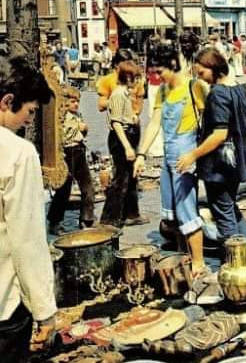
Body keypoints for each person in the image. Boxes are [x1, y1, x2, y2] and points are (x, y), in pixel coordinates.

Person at [0, 57, 57, 363]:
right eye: (27, 113)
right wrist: (46, 310)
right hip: (2, 306)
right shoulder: (17, 154)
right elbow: (26, 239)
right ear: (7, 103)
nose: (28, 123)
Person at [176, 47, 246, 262]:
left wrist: (192, 155)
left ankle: (238, 267)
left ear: (214, 68)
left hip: (220, 167)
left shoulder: (218, 94)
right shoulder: (239, 89)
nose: (201, 79)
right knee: (231, 209)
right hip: (236, 163)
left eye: (202, 73)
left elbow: (220, 134)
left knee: (225, 218)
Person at [134, 44, 208, 277]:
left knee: (187, 210)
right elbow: (155, 123)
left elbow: (211, 122)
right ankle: (181, 253)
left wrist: (197, 155)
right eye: (154, 73)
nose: (156, 77)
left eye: (160, 71)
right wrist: (141, 154)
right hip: (169, 157)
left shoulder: (194, 87)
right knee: (173, 213)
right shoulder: (163, 91)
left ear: (173, 66)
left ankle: (199, 262)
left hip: (186, 156)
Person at [96, 49, 147, 224]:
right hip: (121, 137)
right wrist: (127, 147)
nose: (138, 82)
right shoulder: (117, 94)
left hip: (130, 131)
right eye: (135, 78)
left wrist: (133, 116)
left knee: (131, 176)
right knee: (120, 179)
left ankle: (131, 213)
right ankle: (109, 219)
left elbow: (134, 107)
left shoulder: (125, 93)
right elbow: (116, 122)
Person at [47, 86, 95, 234]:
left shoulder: (78, 115)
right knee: (64, 189)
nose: (76, 104)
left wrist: (84, 129)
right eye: (73, 101)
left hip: (79, 150)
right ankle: (55, 222)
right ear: (65, 102)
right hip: (68, 153)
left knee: (88, 186)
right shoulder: (62, 117)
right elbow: (63, 135)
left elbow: (82, 132)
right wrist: (78, 127)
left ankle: (86, 219)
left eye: (78, 101)